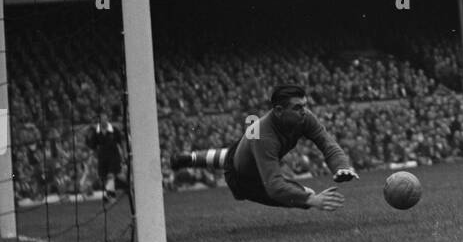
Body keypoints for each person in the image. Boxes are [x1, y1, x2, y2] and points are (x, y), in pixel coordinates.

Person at [170, 85, 358, 210]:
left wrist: (341, 165)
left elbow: (326, 142)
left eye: (304, 106)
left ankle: (191, 158)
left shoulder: (304, 117)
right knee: (304, 194)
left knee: (233, 156)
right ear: (278, 111)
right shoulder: (264, 136)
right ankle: (192, 158)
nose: (304, 111)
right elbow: (275, 187)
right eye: (298, 107)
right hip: (244, 179)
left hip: (243, 151)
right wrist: (311, 200)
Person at [85, 107, 126, 208]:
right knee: (113, 176)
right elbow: (92, 146)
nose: (104, 120)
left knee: (111, 175)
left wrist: (124, 154)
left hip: (114, 156)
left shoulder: (114, 130)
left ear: (107, 119)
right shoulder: (96, 132)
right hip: (103, 158)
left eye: (105, 118)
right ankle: (131, 185)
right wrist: (87, 138)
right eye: (102, 118)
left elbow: (121, 143)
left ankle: (110, 197)